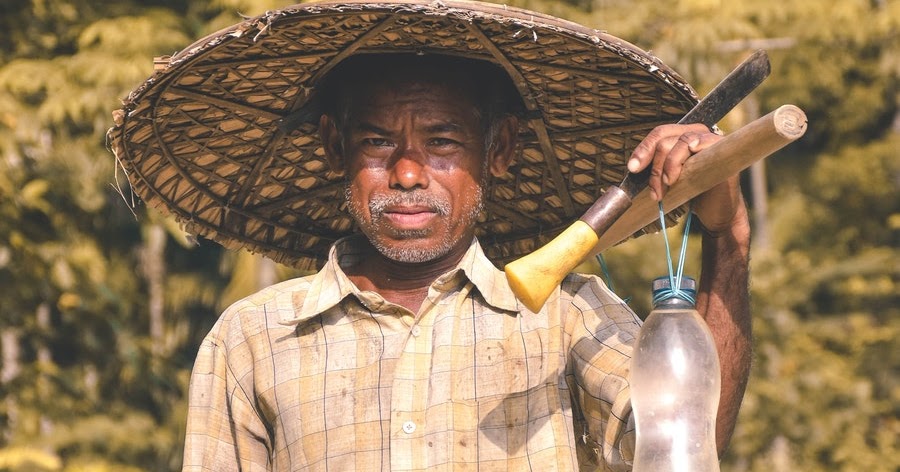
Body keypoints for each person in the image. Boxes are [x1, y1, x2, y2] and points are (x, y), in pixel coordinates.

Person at [179, 53, 751, 471]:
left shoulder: (566, 314)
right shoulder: (251, 338)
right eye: (378, 142)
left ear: (498, 149)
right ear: (335, 148)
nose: (406, 174)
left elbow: (689, 442)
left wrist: (726, 238)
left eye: (443, 143)